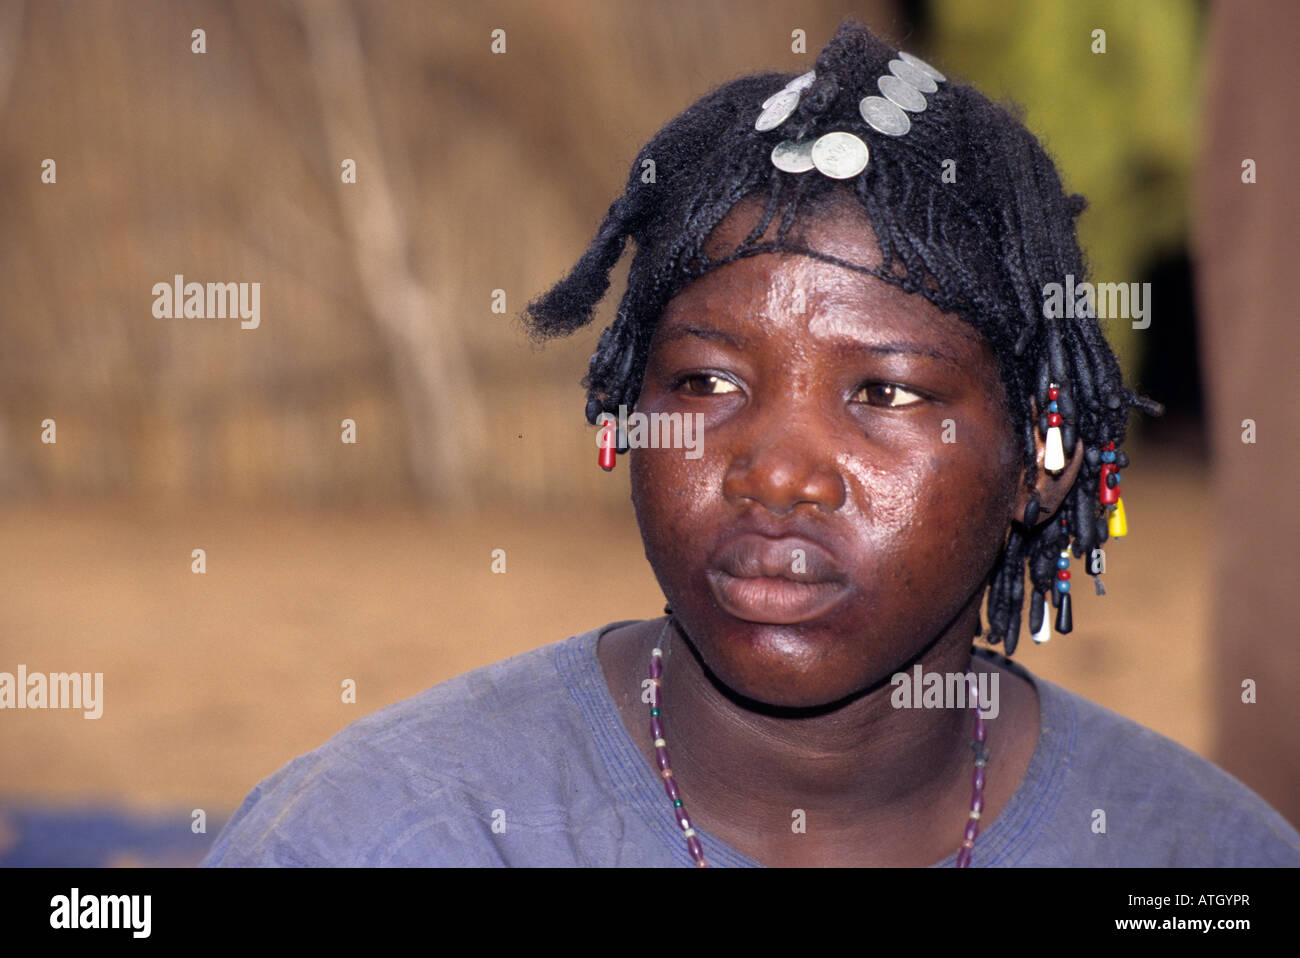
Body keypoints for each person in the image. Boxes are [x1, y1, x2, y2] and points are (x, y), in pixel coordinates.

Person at [202, 20, 1300, 867]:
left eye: (884, 390)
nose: (775, 469)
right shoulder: (385, 836)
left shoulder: (1192, 858)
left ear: (1043, 459)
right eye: (708, 381)